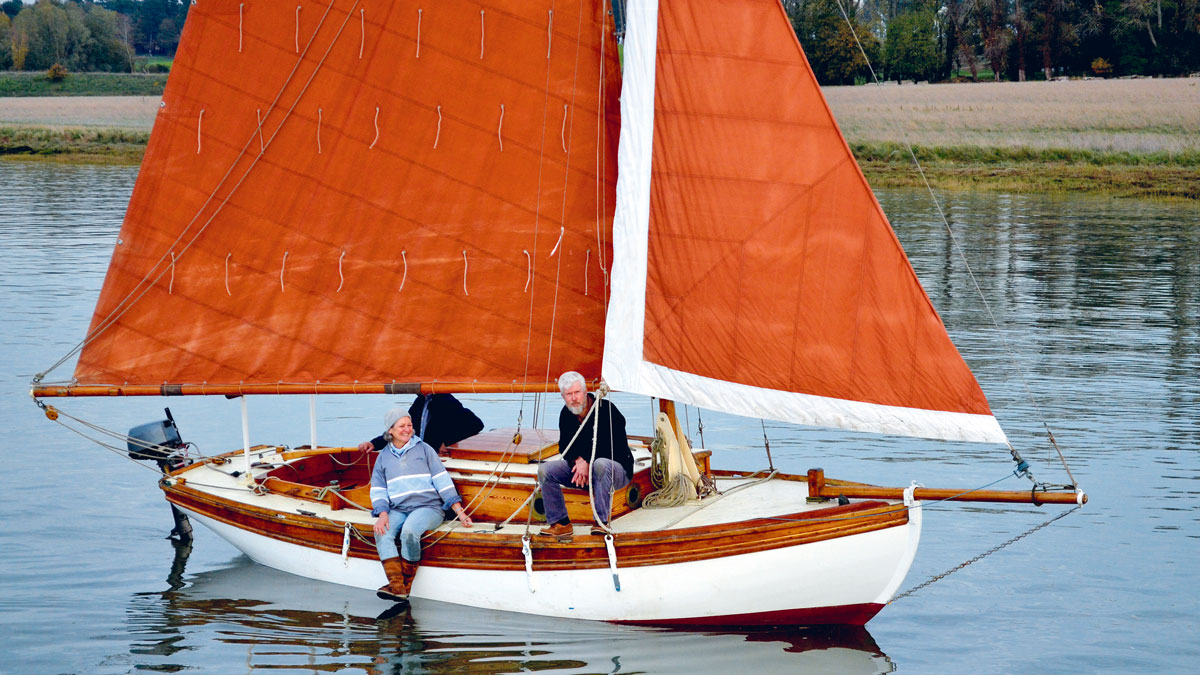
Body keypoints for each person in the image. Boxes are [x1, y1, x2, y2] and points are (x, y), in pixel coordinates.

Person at [370, 408, 472, 601]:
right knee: (381, 531)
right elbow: (378, 490)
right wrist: (382, 514)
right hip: (398, 508)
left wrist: (459, 511)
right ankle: (397, 586)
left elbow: (443, 481)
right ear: (390, 430)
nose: (407, 429)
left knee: (409, 531)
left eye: (409, 425)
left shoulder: (425, 449)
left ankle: (406, 583)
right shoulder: (382, 457)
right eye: (402, 426)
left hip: (428, 508)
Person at [537, 371, 634, 541]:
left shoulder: (607, 411)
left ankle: (601, 523)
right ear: (563, 396)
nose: (574, 398)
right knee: (545, 470)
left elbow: (615, 449)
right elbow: (565, 445)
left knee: (601, 464)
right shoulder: (566, 414)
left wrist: (588, 462)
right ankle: (561, 524)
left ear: (585, 391)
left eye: (577, 392)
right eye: (569, 394)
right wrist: (579, 460)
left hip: (616, 472)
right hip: (583, 471)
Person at [359, 393, 483, 455]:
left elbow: (475, 424)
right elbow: (403, 430)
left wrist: (448, 442)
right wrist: (374, 443)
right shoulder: (420, 401)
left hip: (436, 459)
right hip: (420, 456)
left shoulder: (446, 400)